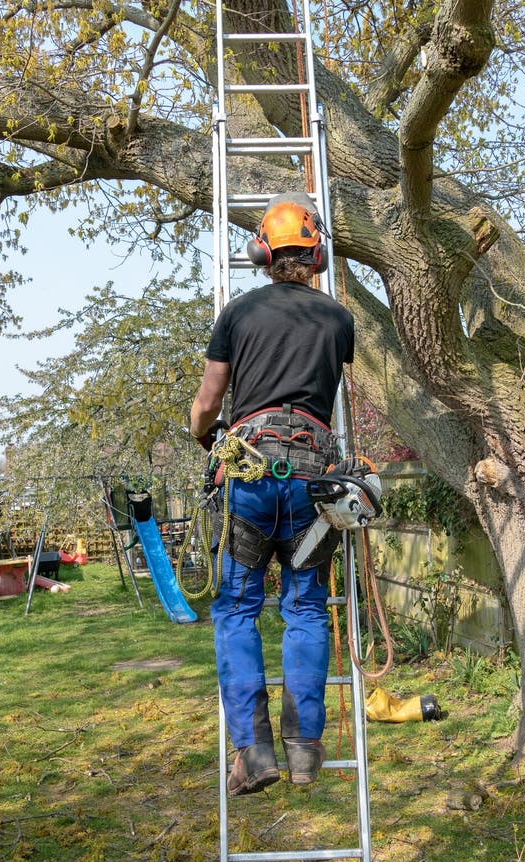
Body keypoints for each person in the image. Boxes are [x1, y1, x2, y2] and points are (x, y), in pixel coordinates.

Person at [189, 193, 354, 797]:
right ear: (315, 254)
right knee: (306, 608)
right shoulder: (339, 319)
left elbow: (209, 403)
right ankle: (305, 751)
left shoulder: (237, 312)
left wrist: (201, 434)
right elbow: (336, 395)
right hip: (314, 481)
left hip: (251, 475)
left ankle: (254, 752)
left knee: (236, 607)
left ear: (262, 252)